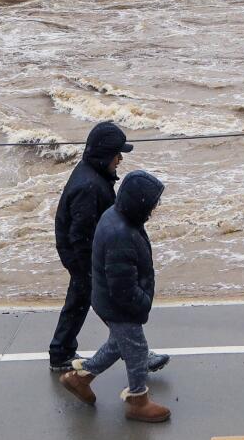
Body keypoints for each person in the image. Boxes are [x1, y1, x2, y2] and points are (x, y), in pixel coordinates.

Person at [49, 122, 170, 375]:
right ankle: (137, 354)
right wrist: (92, 271)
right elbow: (79, 235)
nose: (120, 158)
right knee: (114, 308)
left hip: (84, 252)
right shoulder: (90, 187)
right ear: (105, 156)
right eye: (117, 153)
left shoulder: (94, 175)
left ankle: (61, 351)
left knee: (80, 300)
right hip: (84, 255)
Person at [60, 170, 171, 423]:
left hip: (107, 299)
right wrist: (141, 304)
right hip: (120, 305)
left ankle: (81, 377)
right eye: (153, 204)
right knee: (137, 349)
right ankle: (137, 400)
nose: (155, 208)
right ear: (139, 204)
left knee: (118, 344)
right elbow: (122, 286)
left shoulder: (116, 216)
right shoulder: (121, 234)